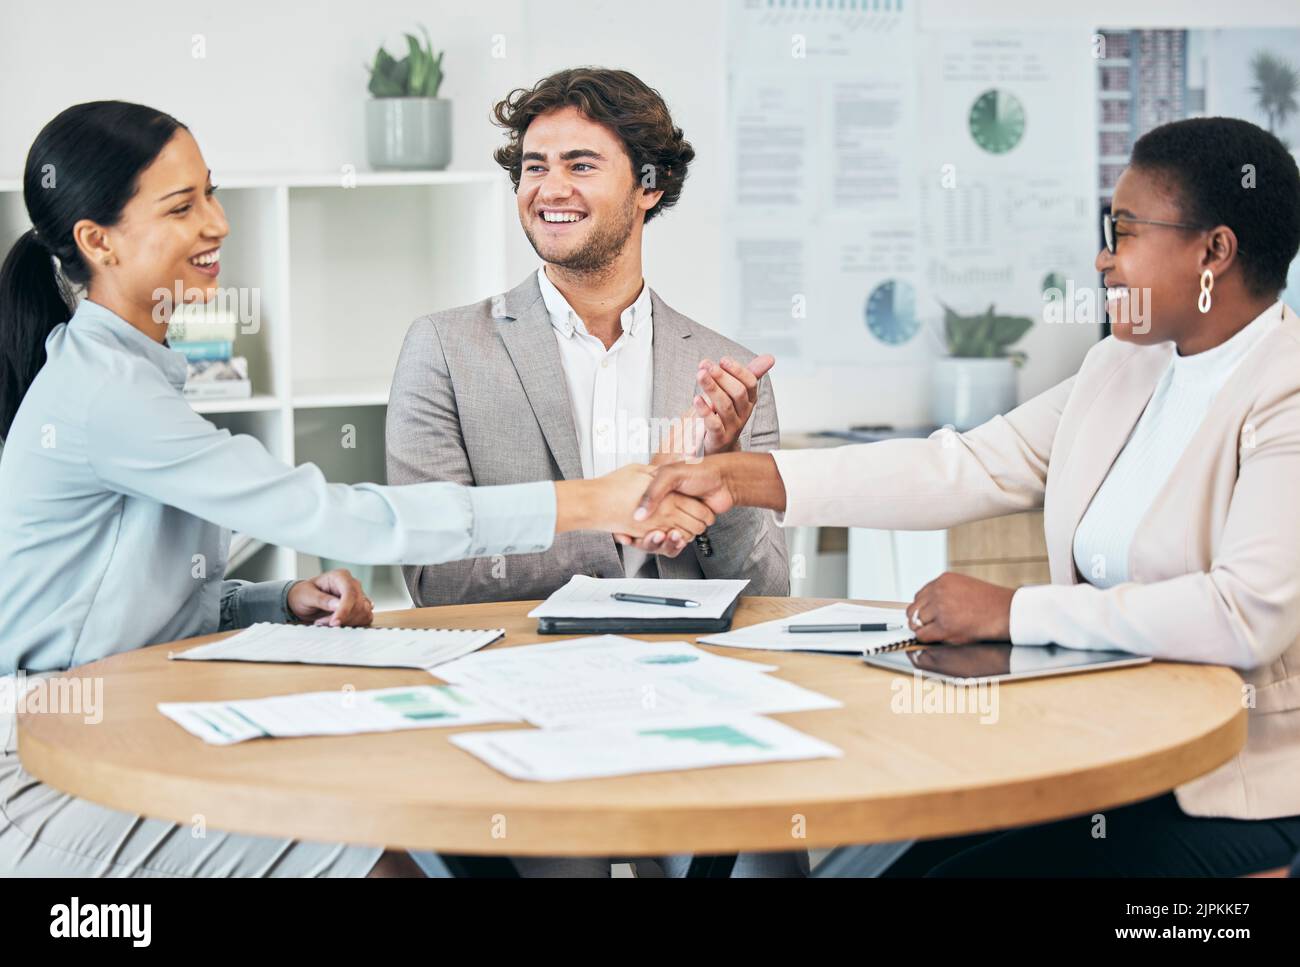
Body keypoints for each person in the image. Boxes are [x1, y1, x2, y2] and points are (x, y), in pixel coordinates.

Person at [0, 101, 713, 877]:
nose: (217, 224)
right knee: (371, 856)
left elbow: (121, 601)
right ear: (96, 240)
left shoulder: (134, 373)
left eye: (212, 192)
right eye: (182, 206)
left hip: (127, 728)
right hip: (51, 765)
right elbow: (343, 517)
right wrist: (589, 499)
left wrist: (275, 602)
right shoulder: (108, 395)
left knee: (377, 831)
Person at [639, 116, 1300, 876]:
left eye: (1123, 231)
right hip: (1101, 743)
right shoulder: (1125, 365)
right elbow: (968, 464)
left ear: (1213, 250)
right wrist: (742, 477)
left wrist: (1010, 609)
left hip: (1225, 783)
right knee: (879, 862)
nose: (1103, 258)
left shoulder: (1284, 391)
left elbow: (1242, 613)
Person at [386, 67, 789, 607]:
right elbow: (435, 576)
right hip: (520, 671)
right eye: (535, 167)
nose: (551, 189)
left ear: (649, 186)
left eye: (581, 165)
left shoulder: (731, 377)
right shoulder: (444, 349)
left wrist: (727, 469)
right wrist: (613, 513)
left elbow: (768, 593)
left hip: (689, 672)